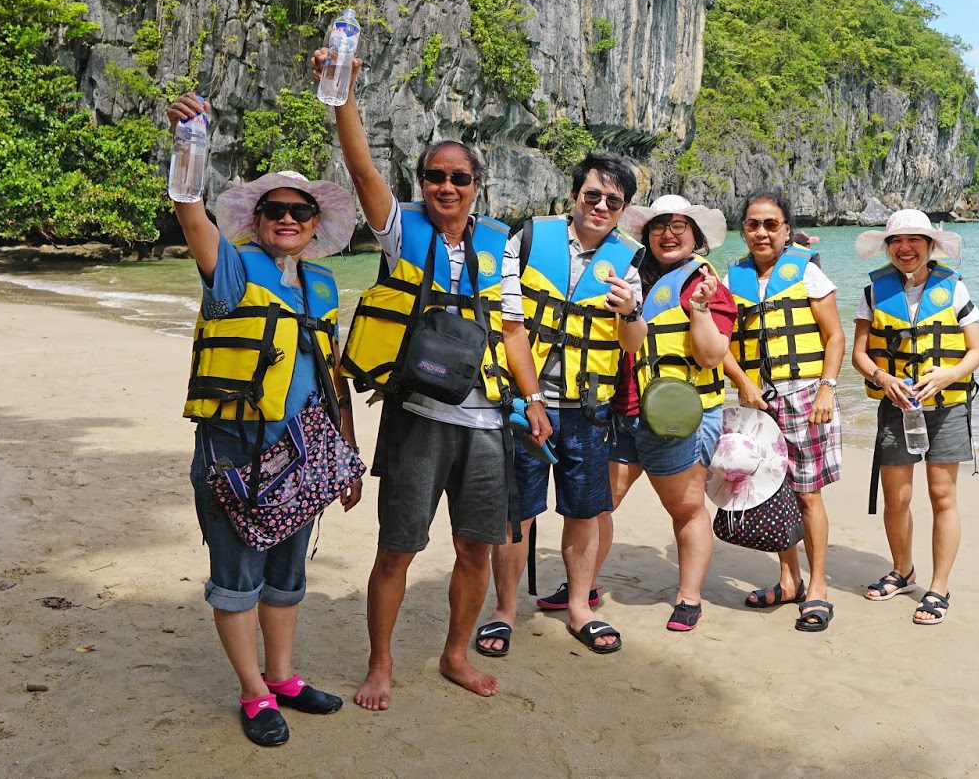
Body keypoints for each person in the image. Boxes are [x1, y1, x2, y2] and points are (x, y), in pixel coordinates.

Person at [316, 51, 551, 709]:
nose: (447, 187)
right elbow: (362, 170)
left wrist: (534, 399)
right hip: (418, 418)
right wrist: (342, 94)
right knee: (397, 550)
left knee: (476, 548)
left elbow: (512, 331)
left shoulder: (501, 246)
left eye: (459, 178)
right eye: (435, 177)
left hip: (487, 425)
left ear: (478, 186)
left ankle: (455, 654)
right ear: (421, 183)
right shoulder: (402, 231)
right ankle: (381, 664)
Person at [167, 94, 362, 747]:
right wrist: (189, 144)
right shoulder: (230, 268)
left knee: (287, 573)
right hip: (236, 451)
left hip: (304, 452)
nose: (286, 218)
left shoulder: (322, 286)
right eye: (274, 210)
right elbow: (189, 210)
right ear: (256, 220)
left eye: (299, 212)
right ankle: (253, 693)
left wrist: (346, 458)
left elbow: (331, 374)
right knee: (237, 579)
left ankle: (282, 676)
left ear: (314, 224)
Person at [485, 154, 648, 656]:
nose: (601, 206)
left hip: (588, 409)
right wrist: (530, 397)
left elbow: (632, 343)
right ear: (575, 195)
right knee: (517, 514)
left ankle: (580, 608)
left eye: (613, 201)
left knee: (584, 511)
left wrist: (630, 312)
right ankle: (504, 610)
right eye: (592, 195)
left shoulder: (629, 260)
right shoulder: (529, 240)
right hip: (523, 404)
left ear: (623, 209)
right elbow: (509, 324)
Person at [596, 195, 735, 632]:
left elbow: (711, 356)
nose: (668, 234)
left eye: (679, 226)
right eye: (659, 226)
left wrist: (700, 309)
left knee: (686, 508)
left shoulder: (705, 284)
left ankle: (689, 596)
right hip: (624, 411)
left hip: (680, 418)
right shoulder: (629, 279)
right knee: (598, 504)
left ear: (696, 236)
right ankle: (583, 584)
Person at [850, 210, 979, 628]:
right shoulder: (874, 292)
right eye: (897, 241)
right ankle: (902, 571)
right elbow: (859, 355)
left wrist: (947, 375)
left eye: (914, 240)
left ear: (930, 246)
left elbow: (976, 352)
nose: (905, 248)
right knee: (897, 499)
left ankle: (939, 587)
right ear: (888, 247)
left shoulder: (954, 288)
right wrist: (882, 377)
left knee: (943, 497)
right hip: (897, 406)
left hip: (946, 408)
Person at [722, 188, 846, 632]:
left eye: (771, 224)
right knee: (773, 489)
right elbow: (719, 343)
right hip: (756, 399)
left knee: (808, 493)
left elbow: (835, 337)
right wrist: (743, 383)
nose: (762, 232)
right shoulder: (731, 278)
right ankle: (789, 579)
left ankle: (818, 587)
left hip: (806, 394)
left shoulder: (807, 274)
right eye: (753, 224)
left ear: (787, 230)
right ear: (743, 230)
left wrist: (827, 388)